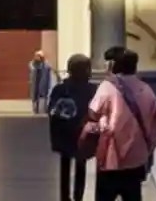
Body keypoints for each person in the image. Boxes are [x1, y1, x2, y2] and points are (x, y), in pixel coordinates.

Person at [85, 49, 156, 201]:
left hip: (111, 156)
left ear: (113, 66)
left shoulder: (107, 87)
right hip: (137, 157)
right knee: (133, 195)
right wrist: (149, 146)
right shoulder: (146, 89)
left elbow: (93, 112)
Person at [48, 54, 96, 201]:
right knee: (81, 165)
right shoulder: (92, 89)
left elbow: (51, 111)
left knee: (65, 164)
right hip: (83, 133)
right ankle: (78, 197)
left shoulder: (60, 89)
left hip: (64, 134)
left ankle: (64, 196)